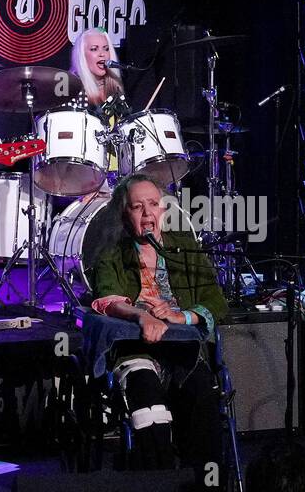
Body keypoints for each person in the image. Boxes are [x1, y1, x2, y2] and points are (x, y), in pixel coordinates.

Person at [87, 174, 227, 471]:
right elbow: (107, 300)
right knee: (148, 400)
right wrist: (142, 315)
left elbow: (216, 300)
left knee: (202, 393)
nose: (148, 213)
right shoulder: (111, 252)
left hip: (183, 351)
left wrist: (183, 316)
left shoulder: (184, 247)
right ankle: (161, 489)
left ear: (164, 209)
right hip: (137, 350)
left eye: (153, 204)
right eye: (138, 207)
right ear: (126, 214)